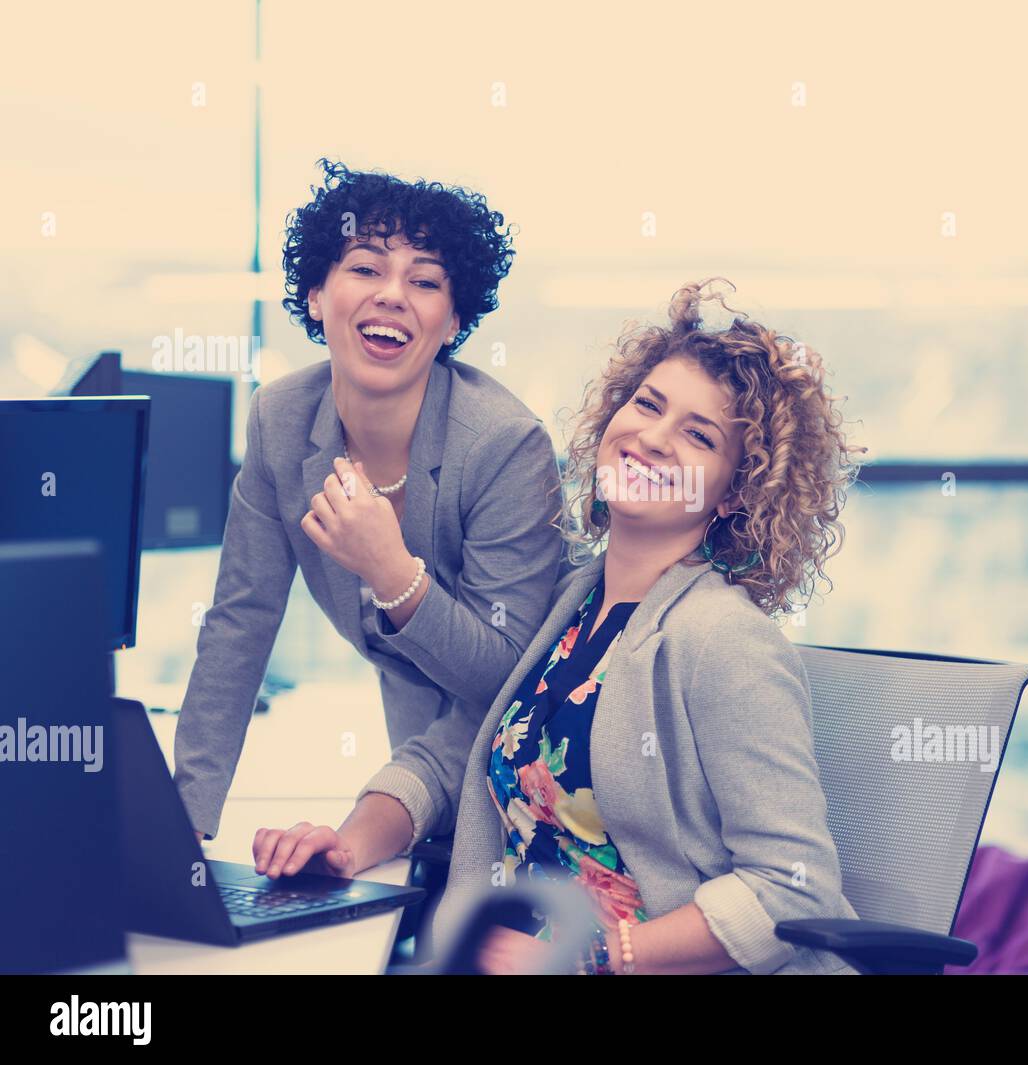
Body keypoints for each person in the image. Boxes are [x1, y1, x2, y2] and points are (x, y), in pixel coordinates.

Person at [253, 279, 864, 975]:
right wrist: (349, 845)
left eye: (698, 436)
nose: (653, 438)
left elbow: (791, 885)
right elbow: (454, 751)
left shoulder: (725, 640)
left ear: (733, 494)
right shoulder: (571, 597)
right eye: (648, 404)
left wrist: (600, 954)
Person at [173, 159, 563, 845]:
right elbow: (240, 625)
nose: (392, 294)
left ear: (453, 321)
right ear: (316, 294)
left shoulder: (505, 445)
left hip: (534, 749)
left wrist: (393, 572)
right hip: (418, 741)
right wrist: (181, 830)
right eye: (365, 268)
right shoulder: (282, 420)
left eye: (425, 281)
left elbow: (506, 673)